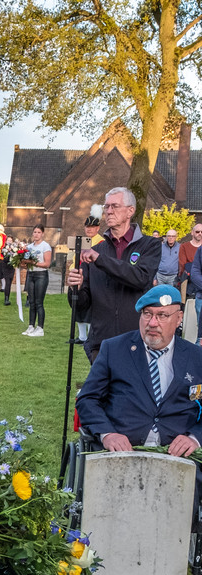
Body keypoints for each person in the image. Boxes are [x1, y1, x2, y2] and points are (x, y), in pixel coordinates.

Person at [76, 284, 202, 456]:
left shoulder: (196, 357)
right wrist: (108, 434)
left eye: (162, 315)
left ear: (179, 318)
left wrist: (195, 438)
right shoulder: (114, 349)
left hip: (178, 455)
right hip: (121, 453)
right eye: (147, 314)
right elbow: (87, 398)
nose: (152, 323)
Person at [67, 187, 161, 363]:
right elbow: (81, 306)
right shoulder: (94, 251)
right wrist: (75, 289)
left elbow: (140, 278)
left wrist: (100, 260)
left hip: (137, 341)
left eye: (115, 206)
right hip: (101, 344)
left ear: (130, 211)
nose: (109, 211)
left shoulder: (149, 245)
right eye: (106, 206)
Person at [74, 209, 104, 343]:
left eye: (92, 227)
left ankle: (91, 336)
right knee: (79, 306)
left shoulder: (101, 243)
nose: (89, 229)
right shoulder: (82, 242)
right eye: (87, 226)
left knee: (91, 308)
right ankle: (82, 336)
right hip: (81, 276)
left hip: (93, 278)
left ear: (97, 228)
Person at [22, 224, 51, 337]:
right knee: (31, 302)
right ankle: (31, 326)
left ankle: (40, 328)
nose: (36, 234)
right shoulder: (29, 247)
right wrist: (22, 263)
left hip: (41, 275)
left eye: (39, 232)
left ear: (42, 233)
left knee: (39, 302)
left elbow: (47, 264)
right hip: (31, 274)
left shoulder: (45, 246)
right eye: (35, 232)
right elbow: (26, 263)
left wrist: (32, 262)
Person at [178, 224, 202, 299]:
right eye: (197, 232)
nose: (200, 234)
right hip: (188, 281)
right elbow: (183, 264)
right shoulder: (184, 246)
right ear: (192, 232)